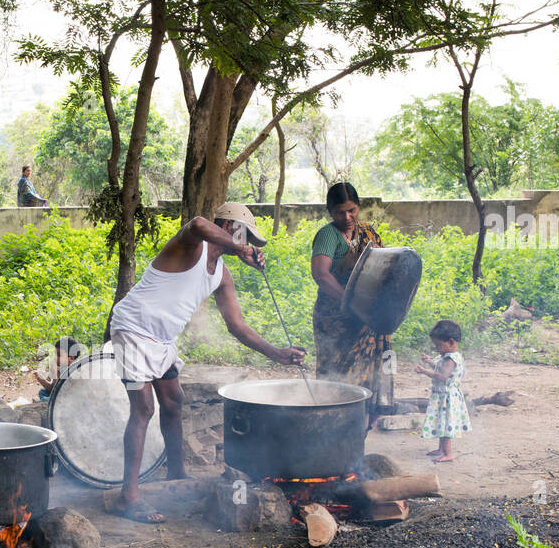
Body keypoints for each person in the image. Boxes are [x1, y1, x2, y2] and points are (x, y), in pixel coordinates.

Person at [109, 202, 305, 523]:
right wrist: (241, 248)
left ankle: (176, 473)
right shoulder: (192, 247)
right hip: (132, 329)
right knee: (143, 408)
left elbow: (237, 326)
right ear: (229, 227)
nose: (248, 245)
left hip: (162, 340)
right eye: (245, 236)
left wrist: (276, 353)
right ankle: (127, 497)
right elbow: (198, 223)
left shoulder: (221, 275)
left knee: (173, 401)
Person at [310, 181, 388, 426]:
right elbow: (321, 274)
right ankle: (332, 421)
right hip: (336, 319)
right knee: (336, 371)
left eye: (352, 210)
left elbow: (385, 267)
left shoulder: (367, 232)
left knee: (368, 369)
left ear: (358, 207)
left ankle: (363, 420)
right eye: (340, 212)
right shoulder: (327, 235)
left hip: (367, 317)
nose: (347, 217)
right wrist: (350, 301)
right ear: (330, 211)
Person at [415, 319, 470, 463]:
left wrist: (424, 371)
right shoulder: (447, 357)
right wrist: (429, 362)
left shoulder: (451, 359)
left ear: (451, 342)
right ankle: (441, 449)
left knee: (445, 426)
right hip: (444, 396)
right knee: (442, 423)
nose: (436, 349)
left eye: (439, 345)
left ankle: (448, 453)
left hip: (447, 397)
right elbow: (440, 367)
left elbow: (442, 376)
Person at [33, 336, 83, 401]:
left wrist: (54, 375)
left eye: (59, 355)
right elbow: (52, 388)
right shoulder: (62, 368)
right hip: (61, 396)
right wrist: (39, 377)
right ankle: (43, 403)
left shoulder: (76, 371)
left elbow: (60, 392)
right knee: (42, 392)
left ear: (71, 358)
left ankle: (42, 403)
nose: (55, 357)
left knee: (45, 400)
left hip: (72, 400)